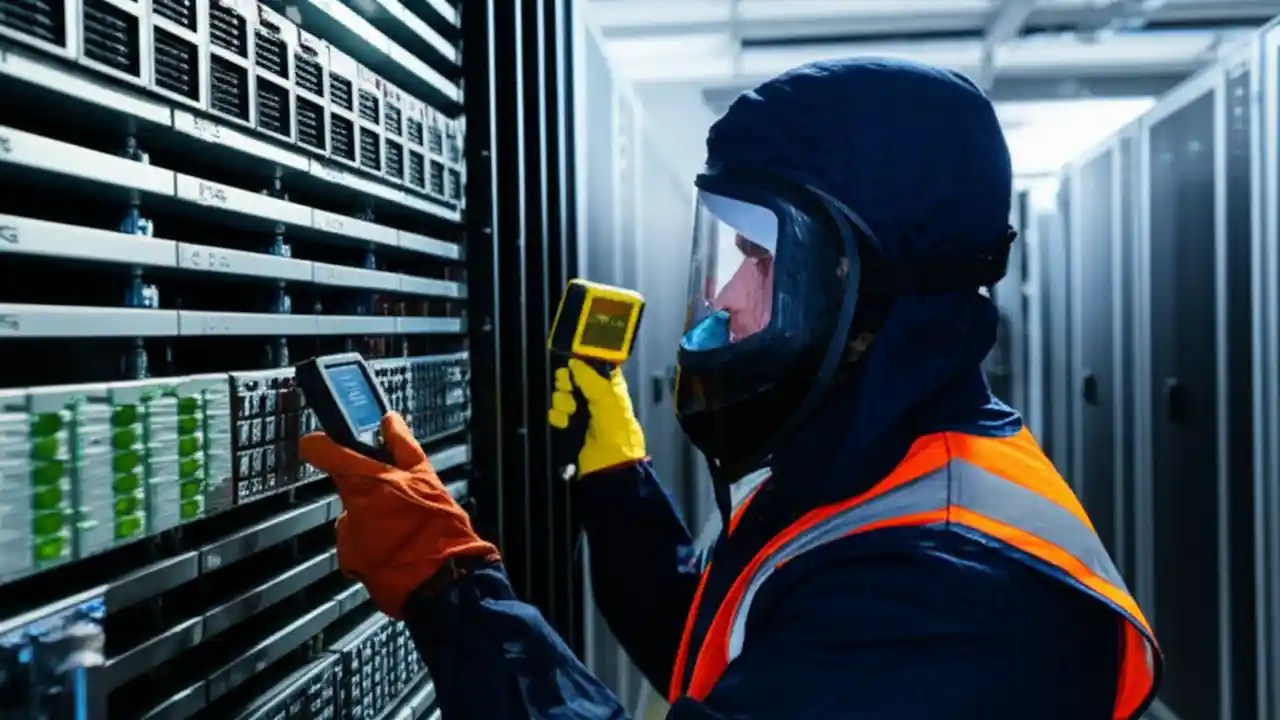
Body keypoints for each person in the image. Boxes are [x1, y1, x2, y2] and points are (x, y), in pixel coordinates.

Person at [299, 58, 1163, 719]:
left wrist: (450, 588)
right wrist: (618, 481)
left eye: (757, 258)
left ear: (853, 278)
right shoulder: (879, 468)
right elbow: (725, 643)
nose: (721, 299)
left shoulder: (947, 592)